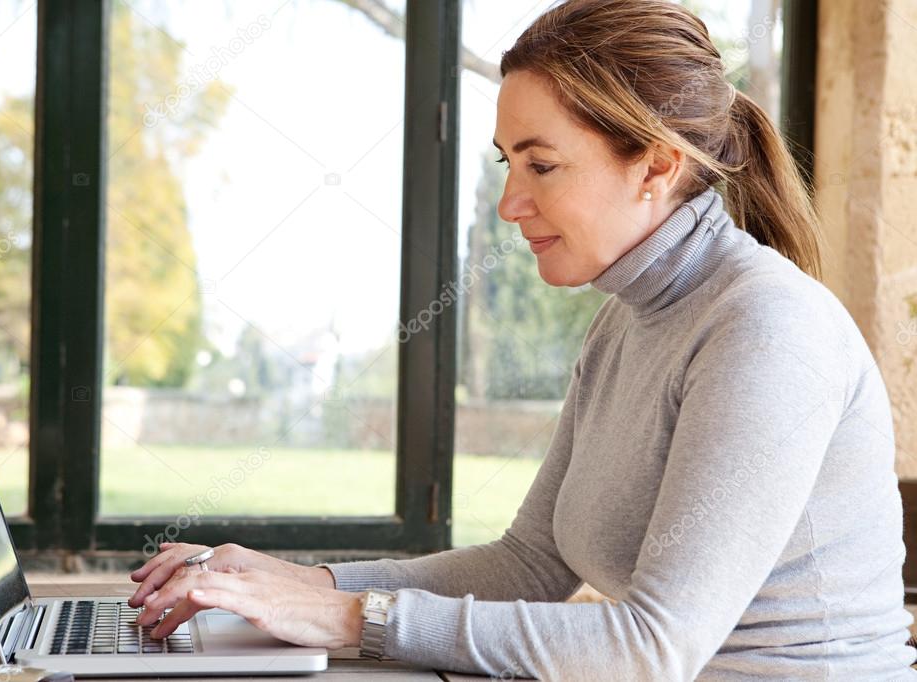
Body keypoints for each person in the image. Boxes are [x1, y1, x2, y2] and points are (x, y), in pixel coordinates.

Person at [127, 0, 917, 678]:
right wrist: (304, 583)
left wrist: (347, 619)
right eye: (508, 163)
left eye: (542, 166)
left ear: (655, 166)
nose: (510, 203)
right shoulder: (627, 319)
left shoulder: (765, 328)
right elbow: (530, 564)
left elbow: (650, 649)